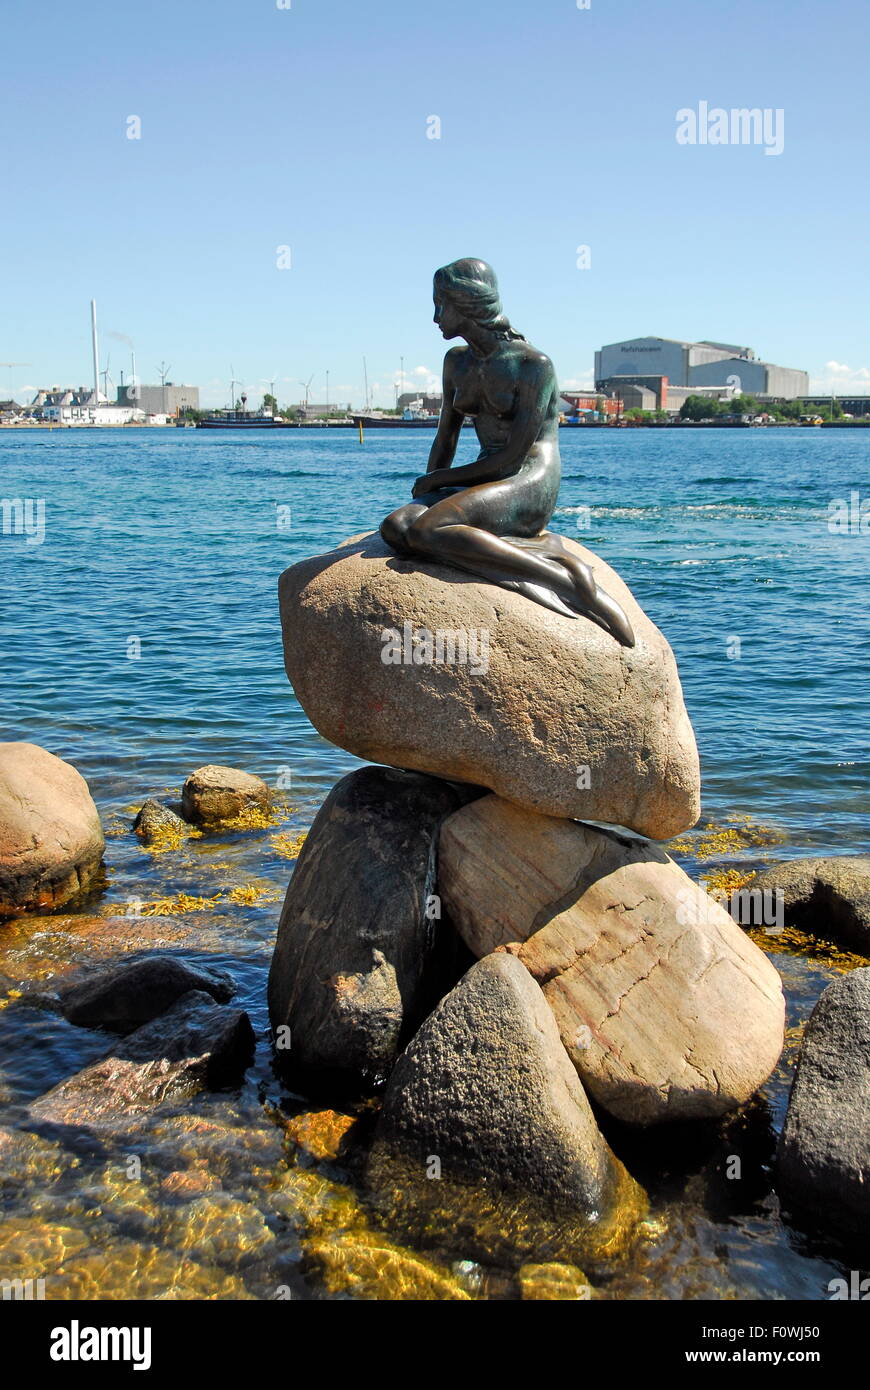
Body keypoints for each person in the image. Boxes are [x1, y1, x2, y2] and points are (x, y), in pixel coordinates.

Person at [379, 258, 634, 647]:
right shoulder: (456, 362)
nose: (435, 317)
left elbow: (513, 458)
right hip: (484, 478)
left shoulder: (533, 365)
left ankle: (571, 582)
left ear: (469, 302)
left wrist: (440, 482)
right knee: (397, 528)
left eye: (441, 303)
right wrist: (426, 494)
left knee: (429, 530)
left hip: (526, 480)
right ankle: (536, 550)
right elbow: (446, 438)